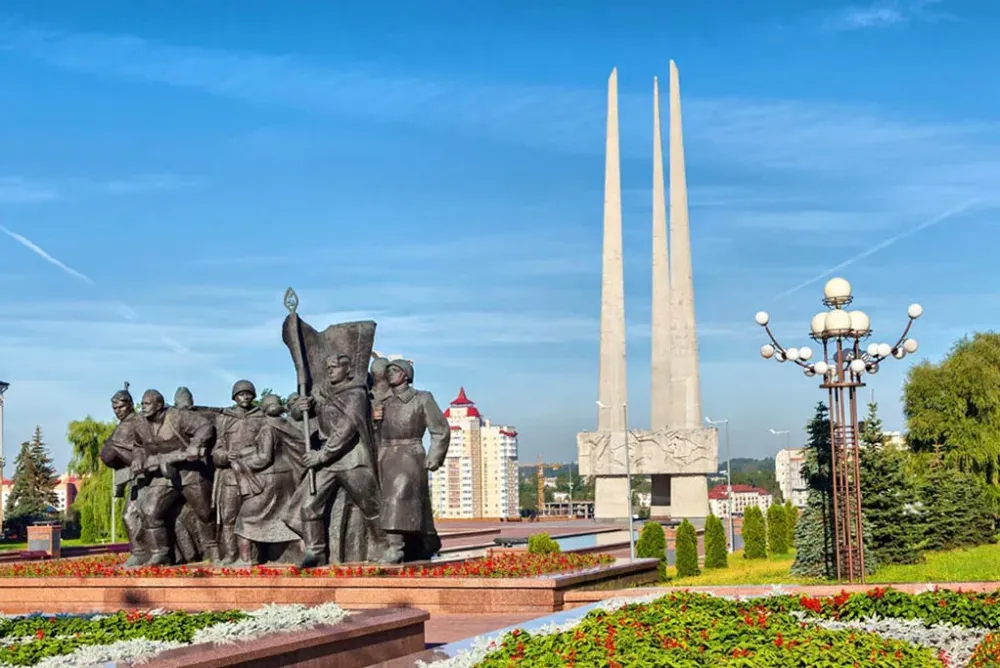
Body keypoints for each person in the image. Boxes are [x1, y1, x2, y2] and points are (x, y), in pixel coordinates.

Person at [285, 350, 390, 568]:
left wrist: (320, 456)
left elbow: (346, 430)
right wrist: (301, 407)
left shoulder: (356, 395)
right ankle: (316, 552)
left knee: (371, 506)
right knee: (309, 505)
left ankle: (384, 546)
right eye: (328, 368)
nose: (329, 371)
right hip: (328, 461)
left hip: (351, 459)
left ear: (347, 369)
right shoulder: (324, 393)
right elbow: (297, 415)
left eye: (334, 367)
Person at [132, 389, 220, 565]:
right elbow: (138, 445)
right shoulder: (140, 422)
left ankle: (214, 549)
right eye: (142, 404)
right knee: (150, 511)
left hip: (190, 471)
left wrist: (196, 444)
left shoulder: (178, 416)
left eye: (147, 404)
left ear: (159, 405)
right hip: (163, 474)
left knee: (205, 513)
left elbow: (205, 427)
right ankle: (161, 552)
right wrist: (137, 459)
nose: (143, 407)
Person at [376, 359, 450, 562]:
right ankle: (426, 541)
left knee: (398, 496)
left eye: (395, 370)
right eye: (388, 370)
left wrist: (435, 456)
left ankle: (395, 547)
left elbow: (440, 429)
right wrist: (375, 421)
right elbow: (373, 434)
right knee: (406, 502)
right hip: (385, 454)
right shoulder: (383, 402)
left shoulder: (422, 399)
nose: (390, 373)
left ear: (406, 375)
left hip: (410, 454)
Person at [212, 380, 268, 566]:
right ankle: (230, 554)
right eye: (241, 394)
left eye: (248, 394)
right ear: (235, 397)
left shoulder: (261, 417)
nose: (245, 397)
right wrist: (225, 456)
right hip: (230, 477)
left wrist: (250, 452)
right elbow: (216, 450)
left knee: (253, 517)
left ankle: (254, 555)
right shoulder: (225, 419)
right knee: (229, 517)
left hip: (255, 475)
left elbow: (268, 443)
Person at [99, 383, 149, 567]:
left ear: (130, 404)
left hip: (147, 474)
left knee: (131, 515)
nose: (117, 411)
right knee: (132, 515)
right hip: (134, 477)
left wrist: (114, 448)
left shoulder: (139, 421)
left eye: (120, 407)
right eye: (114, 408)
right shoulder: (122, 425)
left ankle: (141, 553)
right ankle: (141, 552)